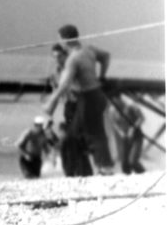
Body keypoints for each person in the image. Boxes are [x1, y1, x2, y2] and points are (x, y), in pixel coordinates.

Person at [42, 25, 114, 176]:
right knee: (90, 132)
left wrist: (49, 104)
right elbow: (106, 56)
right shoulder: (89, 49)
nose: (59, 42)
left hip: (87, 98)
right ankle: (98, 168)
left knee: (85, 134)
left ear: (65, 39)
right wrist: (102, 76)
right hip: (97, 95)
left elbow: (64, 85)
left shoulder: (73, 59)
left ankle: (100, 168)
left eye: (60, 38)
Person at [110, 98, 146, 175]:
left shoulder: (131, 106)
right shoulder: (112, 109)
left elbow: (142, 118)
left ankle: (145, 175)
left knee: (133, 161)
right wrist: (120, 132)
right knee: (124, 165)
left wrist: (133, 128)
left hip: (136, 136)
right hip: (125, 138)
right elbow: (114, 123)